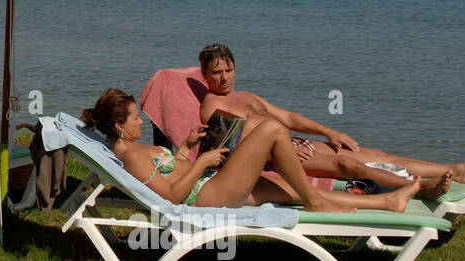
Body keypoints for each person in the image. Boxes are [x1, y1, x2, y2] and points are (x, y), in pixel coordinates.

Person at [196, 44, 465, 192]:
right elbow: (236, 140)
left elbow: (286, 116)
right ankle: (419, 188)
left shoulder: (248, 96)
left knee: (370, 154)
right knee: (348, 166)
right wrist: (282, 144)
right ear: (205, 75)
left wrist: (329, 132)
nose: (224, 78)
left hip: (296, 142)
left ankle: (456, 169)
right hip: (277, 154)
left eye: (228, 70)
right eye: (216, 72)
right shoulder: (210, 106)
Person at [91, 89, 418, 213]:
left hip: (207, 183)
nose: (140, 120)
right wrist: (202, 160)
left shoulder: (136, 148)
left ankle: (388, 200)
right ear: (119, 126)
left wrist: (188, 147)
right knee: (272, 130)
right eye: (135, 117)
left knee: (291, 189)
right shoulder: (132, 157)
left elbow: (170, 170)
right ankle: (317, 202)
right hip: (210, 193)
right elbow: (172, 196)